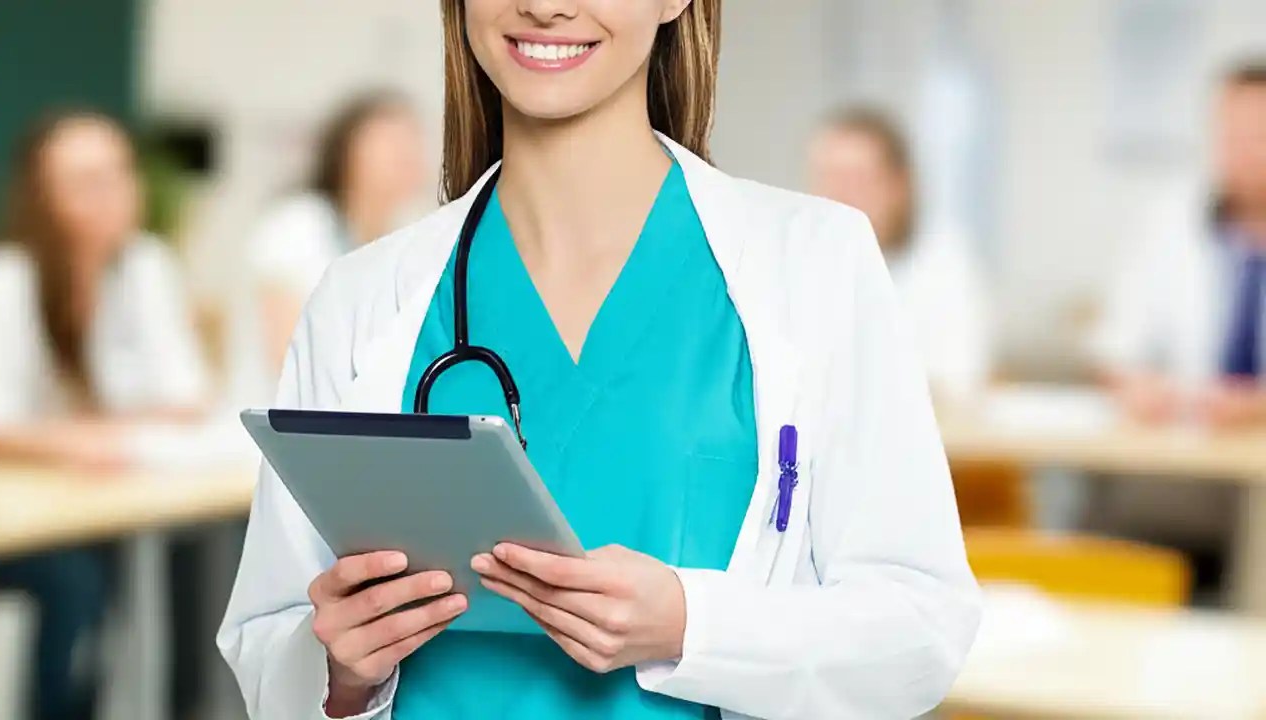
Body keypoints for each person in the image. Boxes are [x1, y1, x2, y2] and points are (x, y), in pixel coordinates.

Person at [219, 2, 980, 719]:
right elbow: (268, 642)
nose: (546, 5)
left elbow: (920, 629)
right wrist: (342, 674)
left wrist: (691, 625)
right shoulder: (360, 300)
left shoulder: (815, 266)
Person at [0, 111, 210, 719]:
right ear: (43, 195)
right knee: (76, 583)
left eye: (120, 173)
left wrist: (85, 437)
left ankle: (179, 702)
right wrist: (78, 443)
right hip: (20, 521)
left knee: (189, 551)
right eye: (87, 179)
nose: (113, 193)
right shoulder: (7, 282)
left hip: (104, 503)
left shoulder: (144, 266)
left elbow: (186, 397)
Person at [1093, 60, 1266, 426]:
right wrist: (1135, 386)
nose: (1242, 153)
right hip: (1189, 448)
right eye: (1229, 135)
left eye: (1257, 136)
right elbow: (1115, 346)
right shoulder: (1168, 224)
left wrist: (1256, 406)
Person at [809, 107, 992, 402]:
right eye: (828, 177)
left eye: (856, 179)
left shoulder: (942, 264)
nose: (838, 194)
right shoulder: (798, 263)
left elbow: (955, 384)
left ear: (898, 185)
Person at [247, 91, 425, 379]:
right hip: (289, 416)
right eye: (391, 143)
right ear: (347, 152)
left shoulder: (412, 242)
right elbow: (289, 358)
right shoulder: (296, 226)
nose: (408, 154)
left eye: (412, 142)